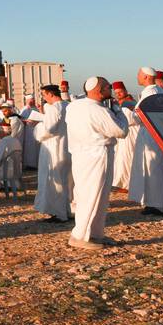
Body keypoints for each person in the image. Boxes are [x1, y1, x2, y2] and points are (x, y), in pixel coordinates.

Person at [64, 76, 129, 249]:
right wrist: (118, 111)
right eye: (108, 87)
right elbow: (121, 131)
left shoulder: (74, 106)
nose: (111, 90)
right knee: (92, 195)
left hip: (82, 155)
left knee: (95, 195)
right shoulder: (99, 110)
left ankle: (94, 234)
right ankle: (80, 236)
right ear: (99, 91)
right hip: (97, 154)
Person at [129, 67, 163, 216]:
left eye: (139, 74)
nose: (137, 77)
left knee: (153, 168)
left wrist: (125, 113)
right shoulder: (160, 91)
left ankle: (157, 204)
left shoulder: (149, 92)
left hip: (151, 135)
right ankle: (154, 202)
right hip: (156, 134)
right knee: (155, 168)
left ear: (146, 77)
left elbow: (139, 116)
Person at [33, 84, 70, 223]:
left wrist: (37, 128)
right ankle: (65, 210)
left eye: (44, 95)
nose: (44, 98)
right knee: (64, 181)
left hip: (54, 148)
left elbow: (49, 129)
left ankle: (59, 214)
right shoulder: (67, 106)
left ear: (50, 94)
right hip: (65, 146)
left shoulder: (55, 108)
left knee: (56, 181)